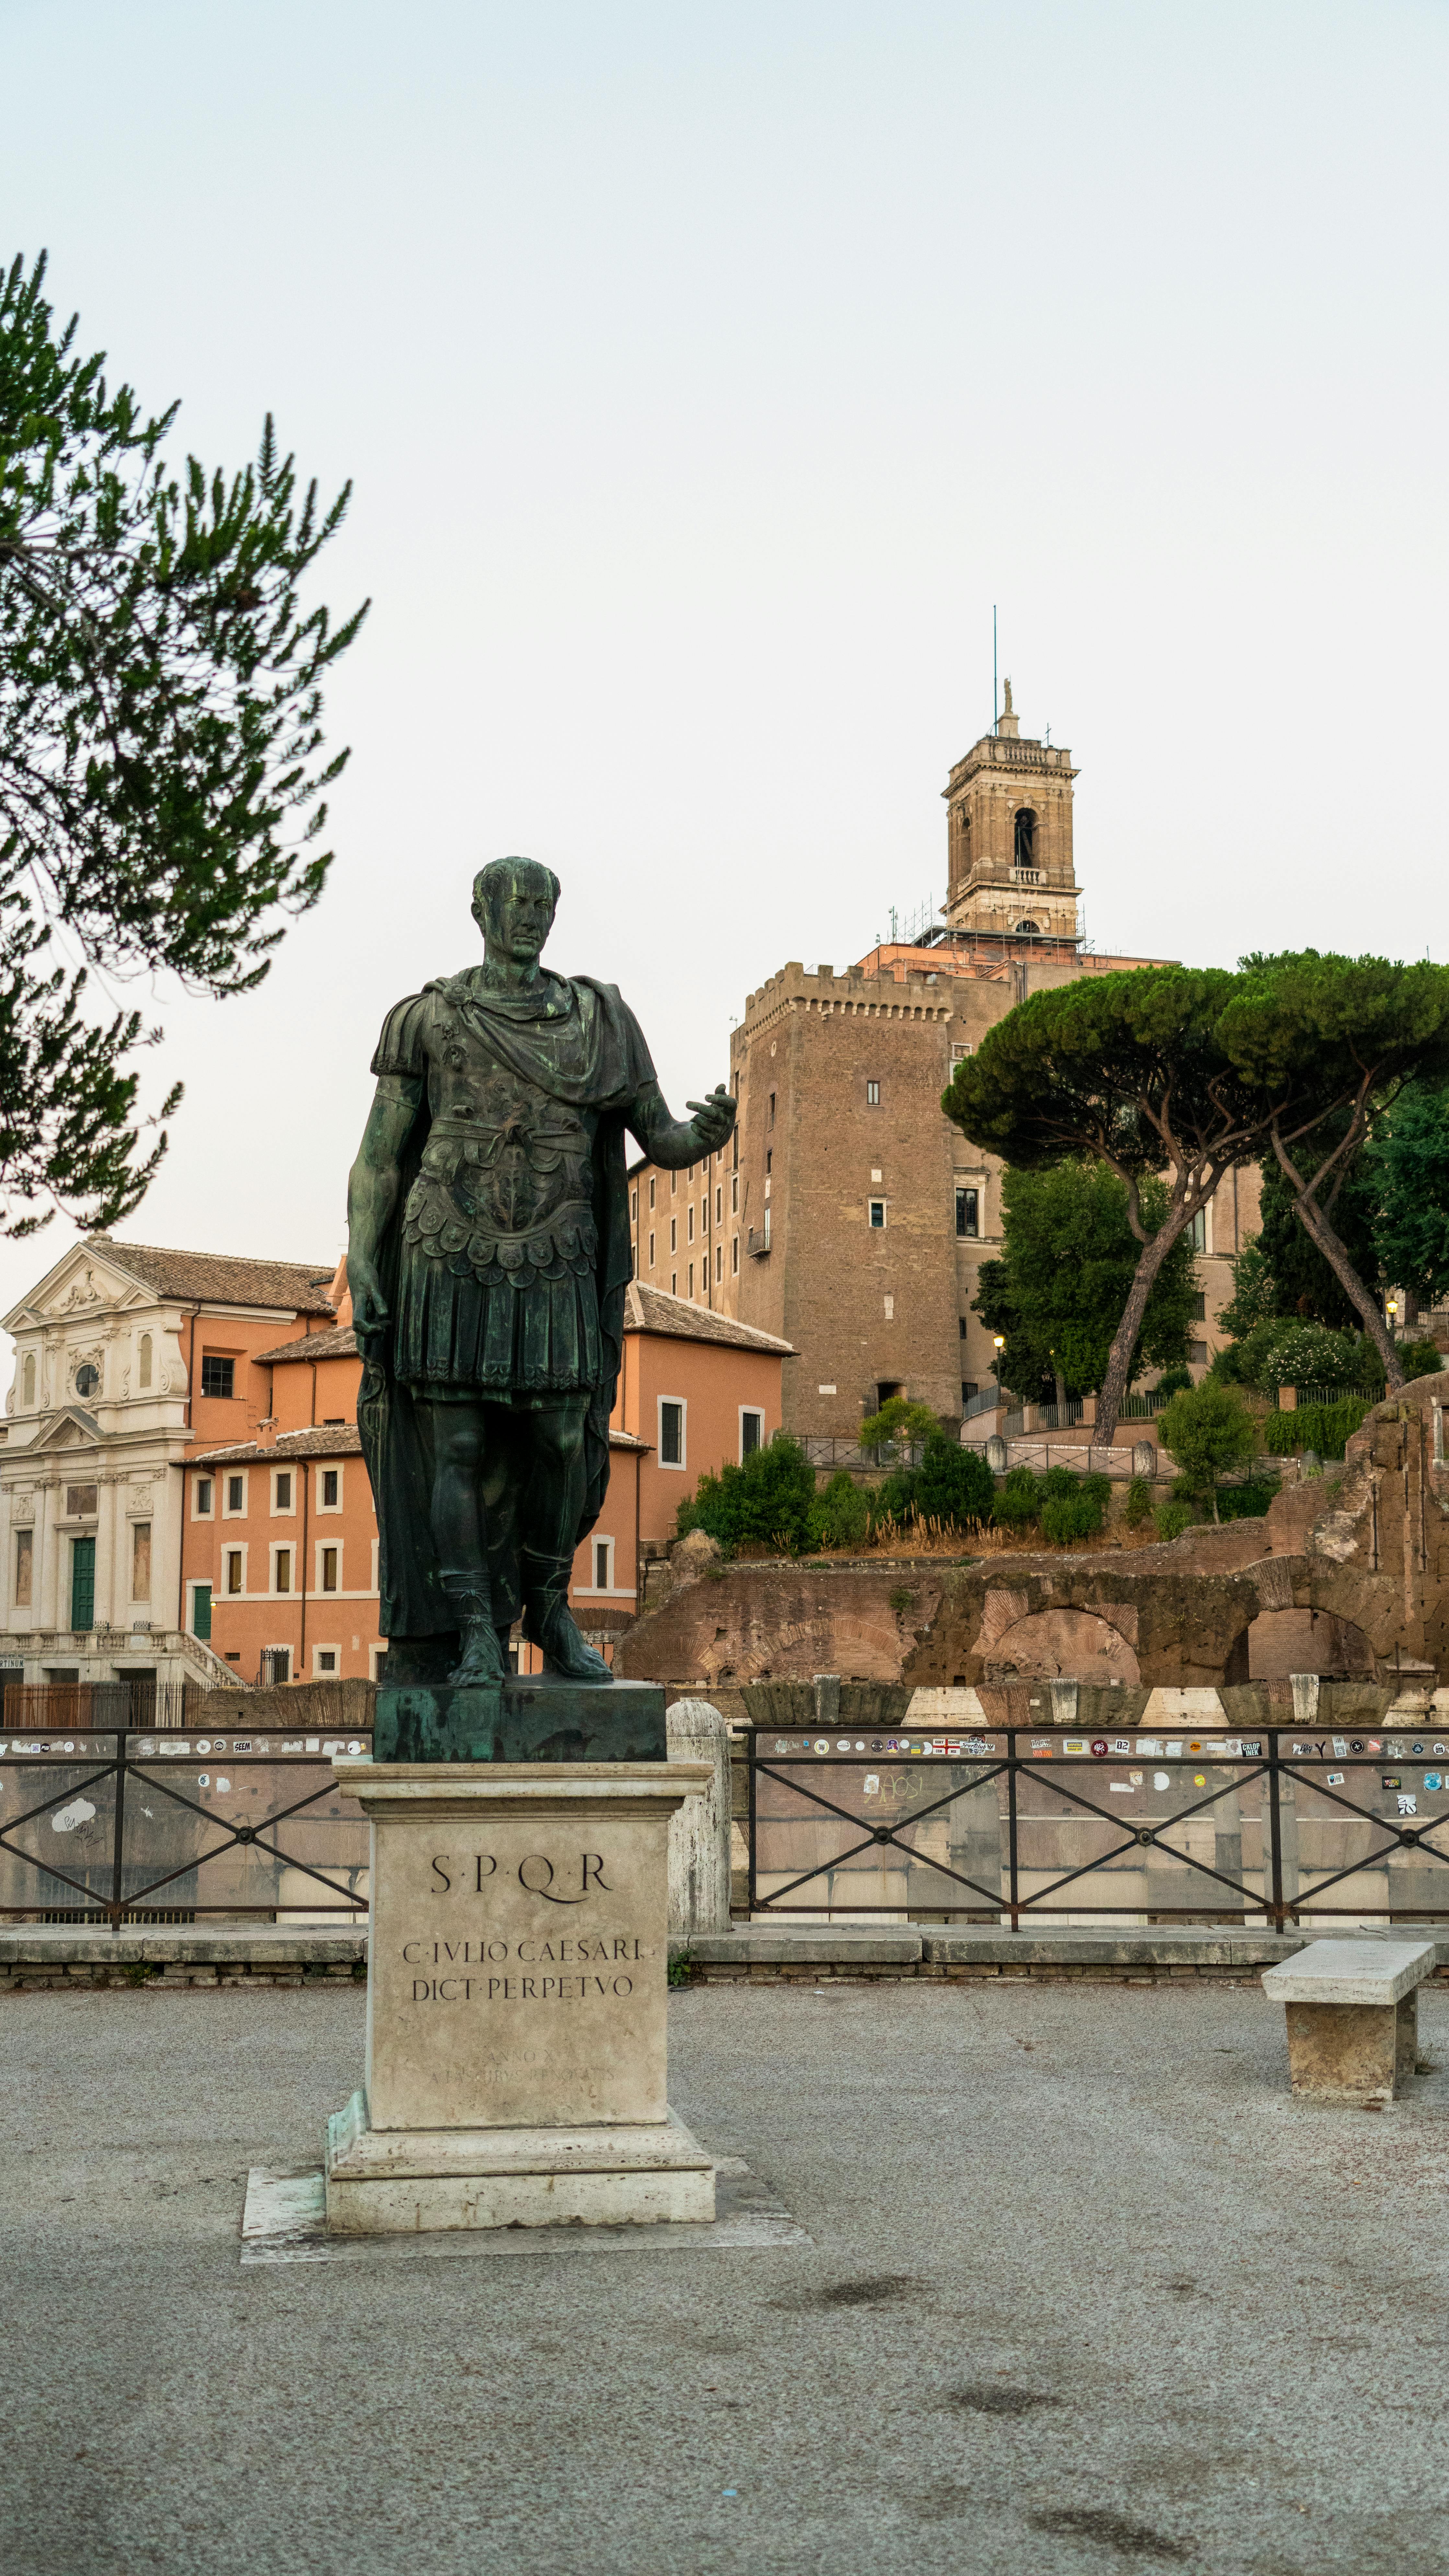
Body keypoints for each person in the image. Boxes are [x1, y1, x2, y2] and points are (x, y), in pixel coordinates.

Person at [347, 856, 735, 1688]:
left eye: (542, 904)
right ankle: (475, 1629)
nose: (528, 915)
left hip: (559, 1246)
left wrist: (702, 1139)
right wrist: (361, 1257)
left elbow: (656, 1136)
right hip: (445, 1245)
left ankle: (549, 1608)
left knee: (563, 1438)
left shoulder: (599, 1020)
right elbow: (379, 1157)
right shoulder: (425, 1019)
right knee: (455, 1442)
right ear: (481, 911)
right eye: (514, 901)